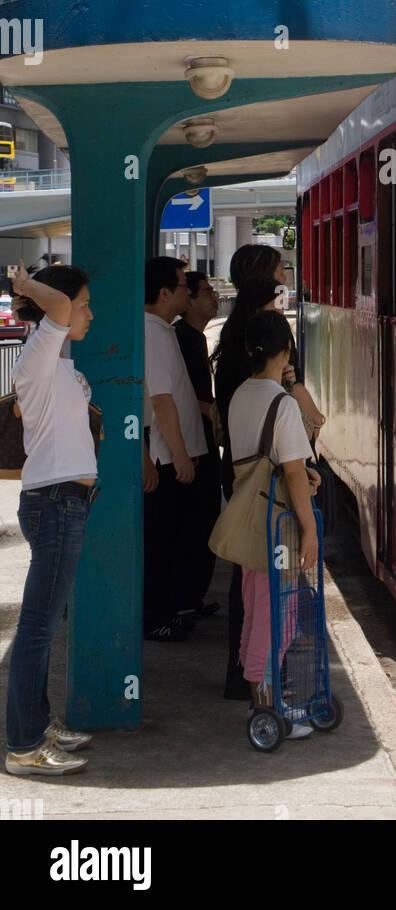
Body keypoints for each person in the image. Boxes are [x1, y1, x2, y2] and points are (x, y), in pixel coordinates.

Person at [5, 263, 97, 777]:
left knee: (43, 624)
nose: (87, 312)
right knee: (38, 627)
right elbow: (58, 308)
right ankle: (23, 746)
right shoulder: (41, 349)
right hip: (55, 502)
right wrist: (23, 286)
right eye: (83, 303)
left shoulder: (55, 361)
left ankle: (37, 725)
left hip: (64, 501)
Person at [213, 274, 321, 698]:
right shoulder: (282, 404)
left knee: (255, 603)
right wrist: (309, 529)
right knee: (281, 610)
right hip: (278, 522)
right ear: (285, 352)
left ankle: (252, 675)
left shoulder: (242, 394)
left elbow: (264, 460)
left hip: (248, 513)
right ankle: (266, 693)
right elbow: (293, 471)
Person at [142, 257, 208, 641]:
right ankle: (156, 617)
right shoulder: (152, 332)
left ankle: (167, 610)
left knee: (171, 539)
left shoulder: (162, 329)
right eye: (183, 286)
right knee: (161, 542)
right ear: (164, 293)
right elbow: (162, 401)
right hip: (166, 459)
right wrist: (181, 454)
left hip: (171, 455)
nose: (187, 291)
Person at [174, 272, 221, 619]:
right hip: (193, 447)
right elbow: (184, 397)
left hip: (200, 442)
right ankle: (185, 601)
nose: (215, 296)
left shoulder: (193, 337)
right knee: (194, 526)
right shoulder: (182, 338)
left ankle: (192, 600)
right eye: (206, 291)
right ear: (187, 300)